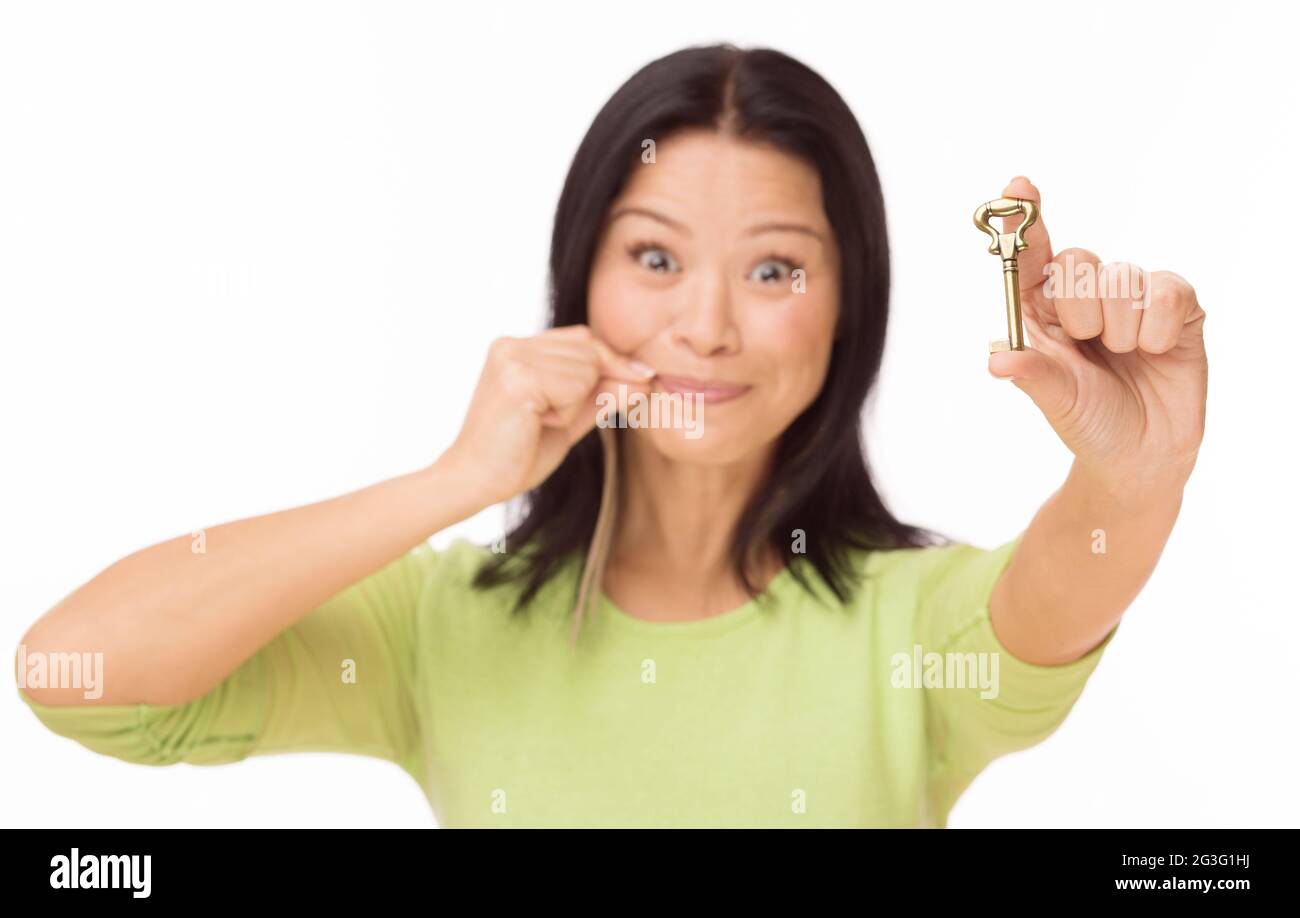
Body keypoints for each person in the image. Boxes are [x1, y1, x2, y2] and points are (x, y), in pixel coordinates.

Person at [14, 44, 1207, 828]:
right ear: (580, 277)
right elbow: (80, 679)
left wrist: (1136, 464)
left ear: (850, 307)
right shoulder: (439, 623)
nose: (704, 326)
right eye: (654, 257)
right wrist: (450, 480)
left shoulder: (918, 627)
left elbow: (1073, 571)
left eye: (775, 269)